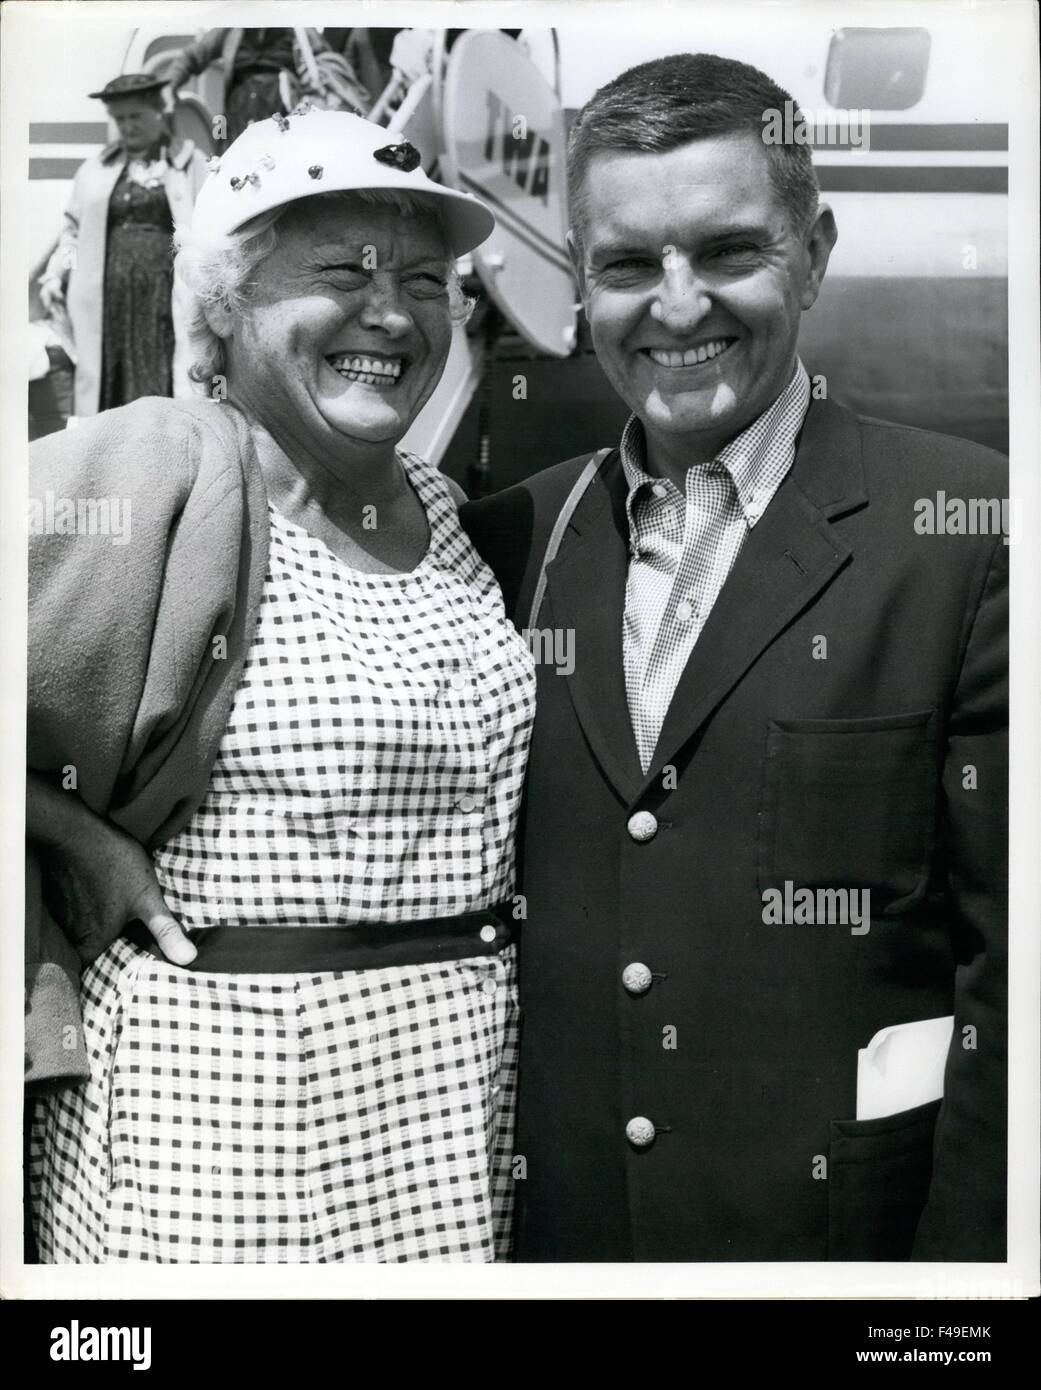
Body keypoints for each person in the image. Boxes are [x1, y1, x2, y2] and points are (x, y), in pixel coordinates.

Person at [460, 53, 1008, 1262]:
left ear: (813, 252)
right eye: (625, 265)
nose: (675, 304)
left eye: (727, 252)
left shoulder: (968, 537)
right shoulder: (514, 540)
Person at [26, 109, 534, 1263]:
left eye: (422, 279)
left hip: (449, 1115)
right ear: (225, 306)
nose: (392, 314)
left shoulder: (450, 514)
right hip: (221, 1124)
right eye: (340, 273)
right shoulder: (153, 470)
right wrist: (64, 832)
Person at [37, 73, 208, 417]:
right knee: (107, 385)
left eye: (136, 117)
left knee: (160, 380)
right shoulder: (96, 169)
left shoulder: (190, 163)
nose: (127, 127)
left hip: (162, 299)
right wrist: (57, 273)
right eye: (120, 119)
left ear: (160, 113)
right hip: (107, 301)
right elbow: (71, 232)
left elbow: (210, 227)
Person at [163, 26, 370, 141]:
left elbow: (325, 63)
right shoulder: (231, 28)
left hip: (281, 108)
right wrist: (168, 88)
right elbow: (192, 56)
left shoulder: (297, 26)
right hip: (238, 112)